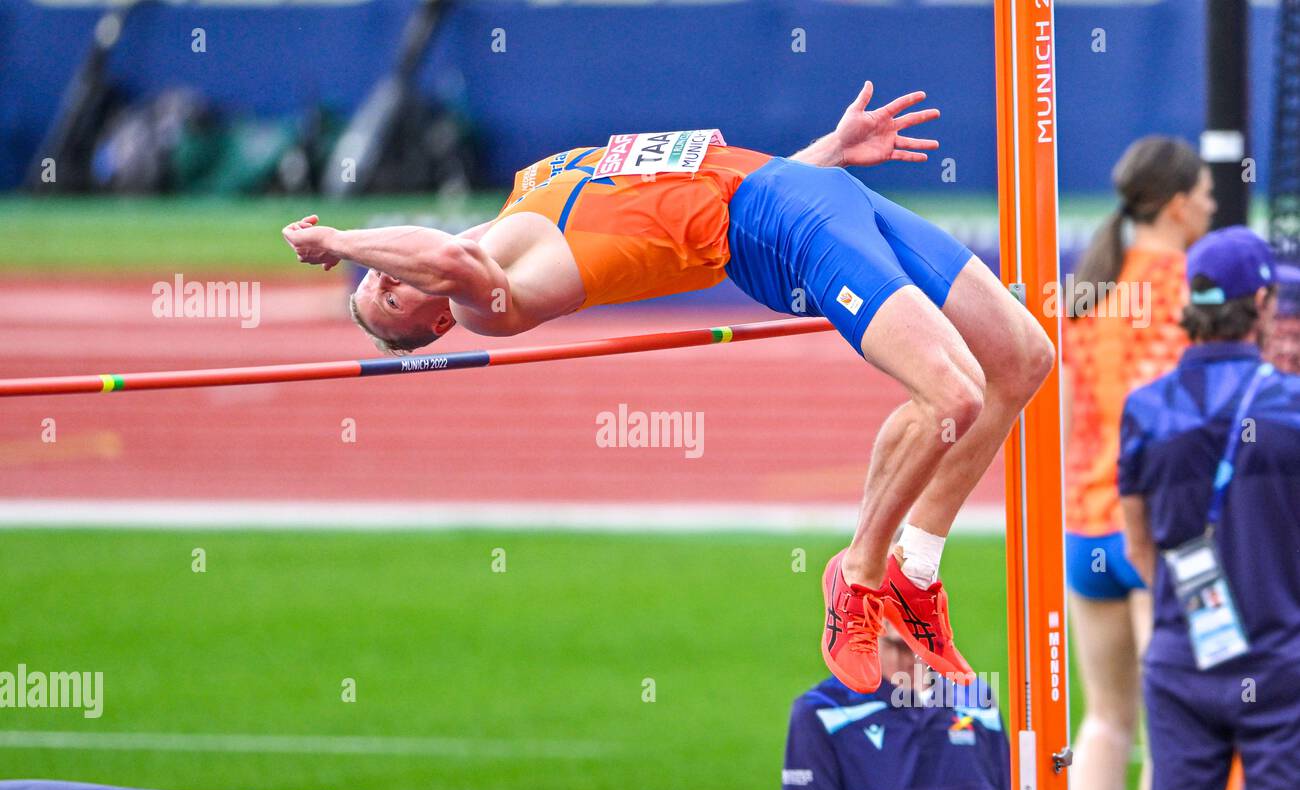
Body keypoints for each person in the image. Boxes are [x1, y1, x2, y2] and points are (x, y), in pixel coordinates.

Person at [282, 81, 1054, 693]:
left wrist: (829, 149)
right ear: (438, 325)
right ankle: (858, 578)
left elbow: (693, 186)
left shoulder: (528, 189)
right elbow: (446, 262)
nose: (383, 273)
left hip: (798, 187)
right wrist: (339, 242)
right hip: (780, 224)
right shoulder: (489, 300)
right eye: (383, 294)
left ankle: (915, 574)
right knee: (951, 395)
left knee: (1023, 358)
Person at [1119, 226, 1300, 790]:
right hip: (1282, 657)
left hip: (1181, 655)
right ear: (1261, 306)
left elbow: (1137, 544)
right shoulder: (1289, 405)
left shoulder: (1145, 409)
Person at [1062, 136, 1214, 790]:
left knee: (1104, 720)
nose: (1214, 206)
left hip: (1085, 526)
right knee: (1173, 727)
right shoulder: (1190, 290)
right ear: (1179, 206)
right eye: (1208, 195)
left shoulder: (1090, 291)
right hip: (1161, 528)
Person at [780, 620, 1010, 790]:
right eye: (884, 588)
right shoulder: (821, 710)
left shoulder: (976, 697)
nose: (897, 601)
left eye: (909, 584)